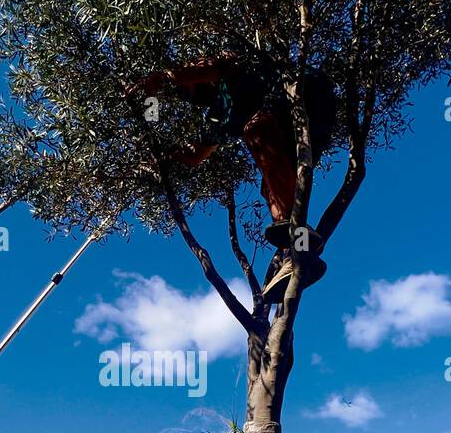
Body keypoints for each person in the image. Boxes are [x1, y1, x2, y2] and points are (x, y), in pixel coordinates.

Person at [132, 53, 338, 300]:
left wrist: (162, 78)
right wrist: (160, 158)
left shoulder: (233, 70)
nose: (188, 94)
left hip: (308, 96)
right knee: (271, 187)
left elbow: (218, 64)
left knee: (256, 129)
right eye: (185, 94)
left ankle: (294, 239)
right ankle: (297, 253)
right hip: (294, 134)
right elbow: (196, 155)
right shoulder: (220, 115)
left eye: (188, 87)